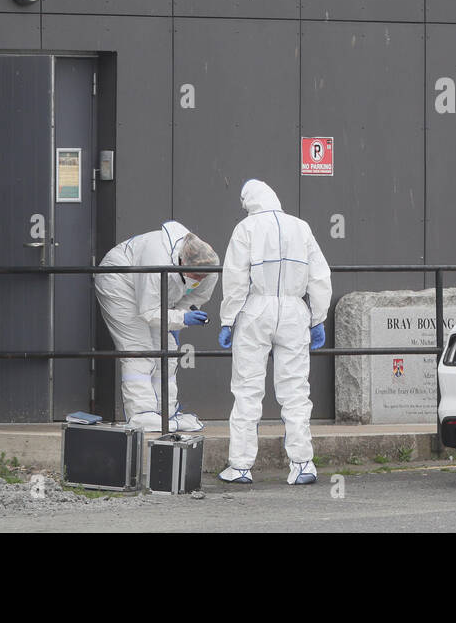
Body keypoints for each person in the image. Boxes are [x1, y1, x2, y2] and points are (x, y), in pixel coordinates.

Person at [217, 180, 331, 486]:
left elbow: (235, 279)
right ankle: (302, 464)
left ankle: (240, 466)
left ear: (249, 202)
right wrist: (318, 317)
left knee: (247, 390)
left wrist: (228, 320)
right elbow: (320, 275)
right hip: (295, 311)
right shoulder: (301, 227)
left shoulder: (246, 228)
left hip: (256, 310)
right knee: (296, 390)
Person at [94, 222, 219, 432]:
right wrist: (182, 318)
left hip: (151, 297)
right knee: (140, 350)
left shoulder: (208, 266)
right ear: (181, 262)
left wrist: (179, 320)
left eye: (202, 277)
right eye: (195, 276)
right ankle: (141, 414)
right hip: (119, 281)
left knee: (167, 350)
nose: (199, 280)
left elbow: (192, 298)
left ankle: (166, 412)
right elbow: (149, 312)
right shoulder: (157, 258)